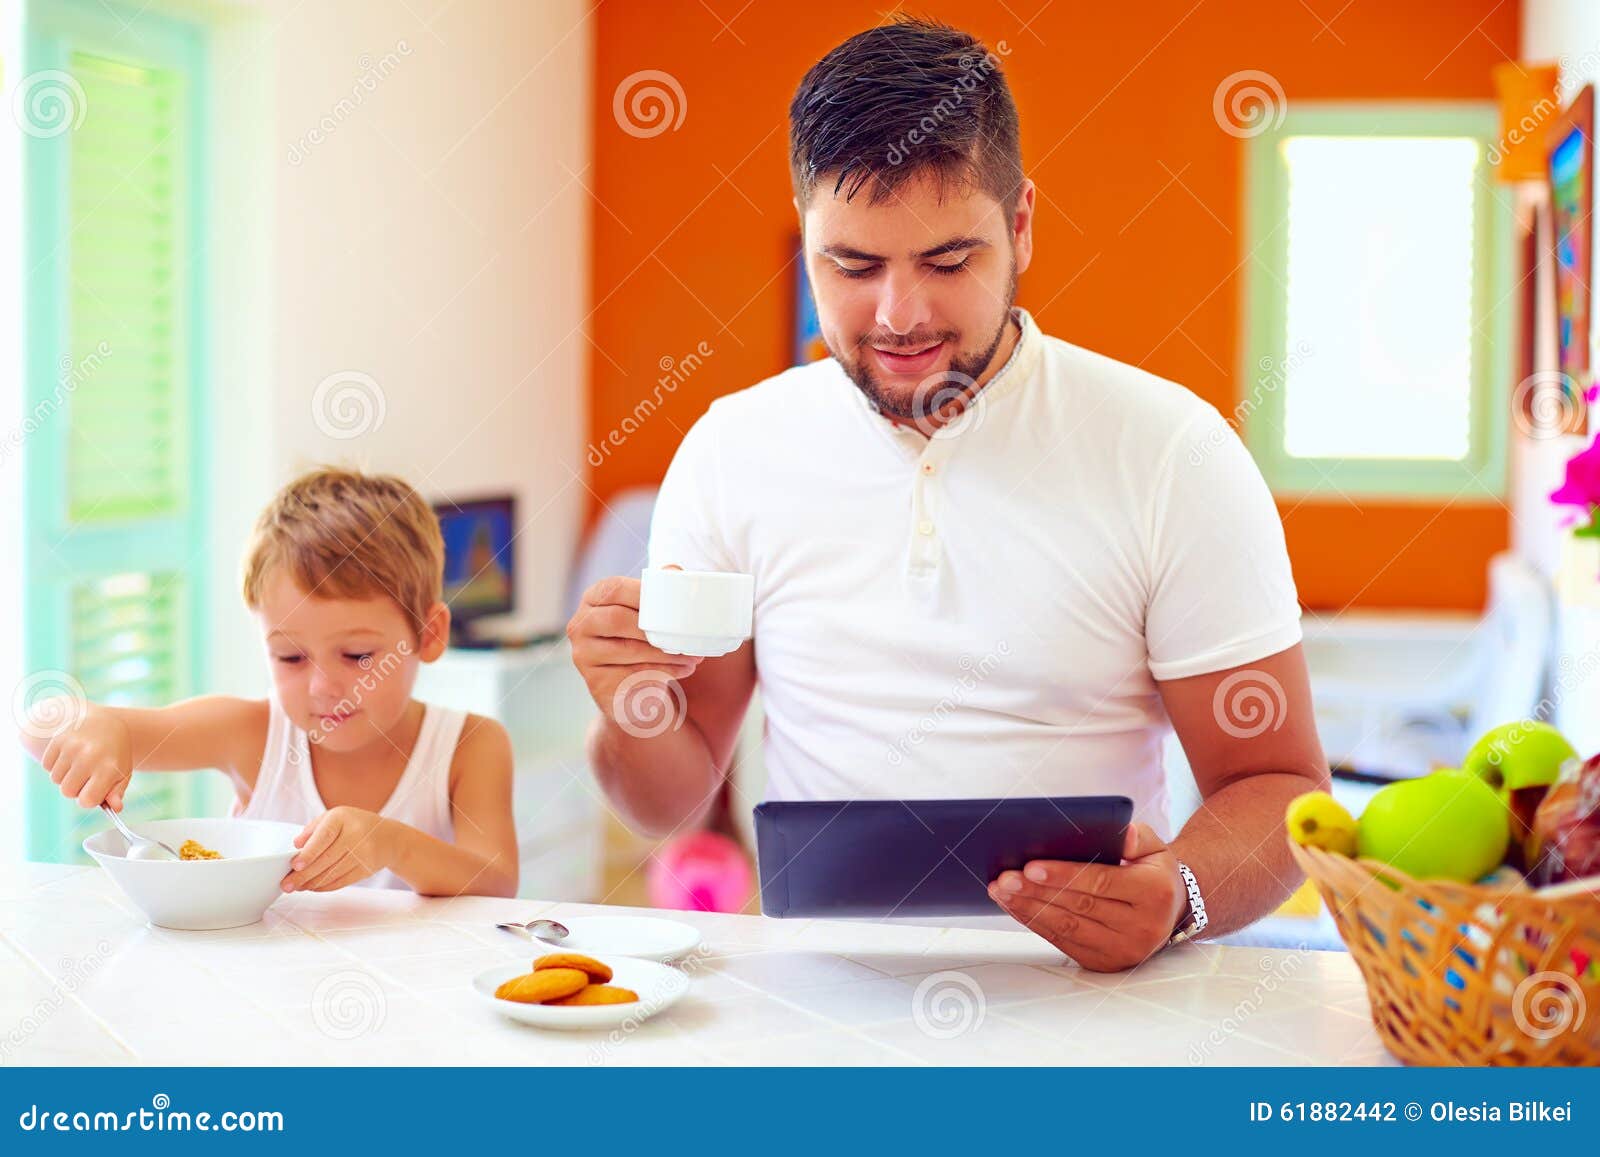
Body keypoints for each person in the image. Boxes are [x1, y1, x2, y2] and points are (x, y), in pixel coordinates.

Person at [569, 18, 1328, 970]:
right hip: (816, 999)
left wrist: (1178, 895)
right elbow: (670, 800)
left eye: (946, 261)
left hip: (1092, 999)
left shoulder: (1172, 450)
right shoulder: (733, 449)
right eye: (851, 266)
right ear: (807, 239)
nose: (900, 316)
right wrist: (629, 699)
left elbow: (1282, 783)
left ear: (1020, 228)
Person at [20, 467, 518, 897]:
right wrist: (100, 728)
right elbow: (40, 723)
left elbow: (497, 882)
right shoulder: (251, 735)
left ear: (428, 634)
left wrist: (392, 843)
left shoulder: (470, 747)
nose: (323, 686)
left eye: (358, 655)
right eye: (290, 656)